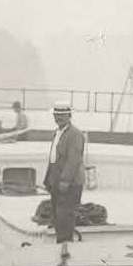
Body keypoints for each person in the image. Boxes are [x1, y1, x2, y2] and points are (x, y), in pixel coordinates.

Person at [45, 102, 87, 243]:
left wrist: (65, 181)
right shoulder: (57, 133)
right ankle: (61, 243)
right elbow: (53, 157)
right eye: (56, 115)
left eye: (62, 115)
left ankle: (65, 246)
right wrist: (48, 179)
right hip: (57, 181)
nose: (59, 118)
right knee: (58, 216)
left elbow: (73, 160)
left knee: (65, 216)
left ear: (69, 116)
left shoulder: (75, 135)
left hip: (70, 183)